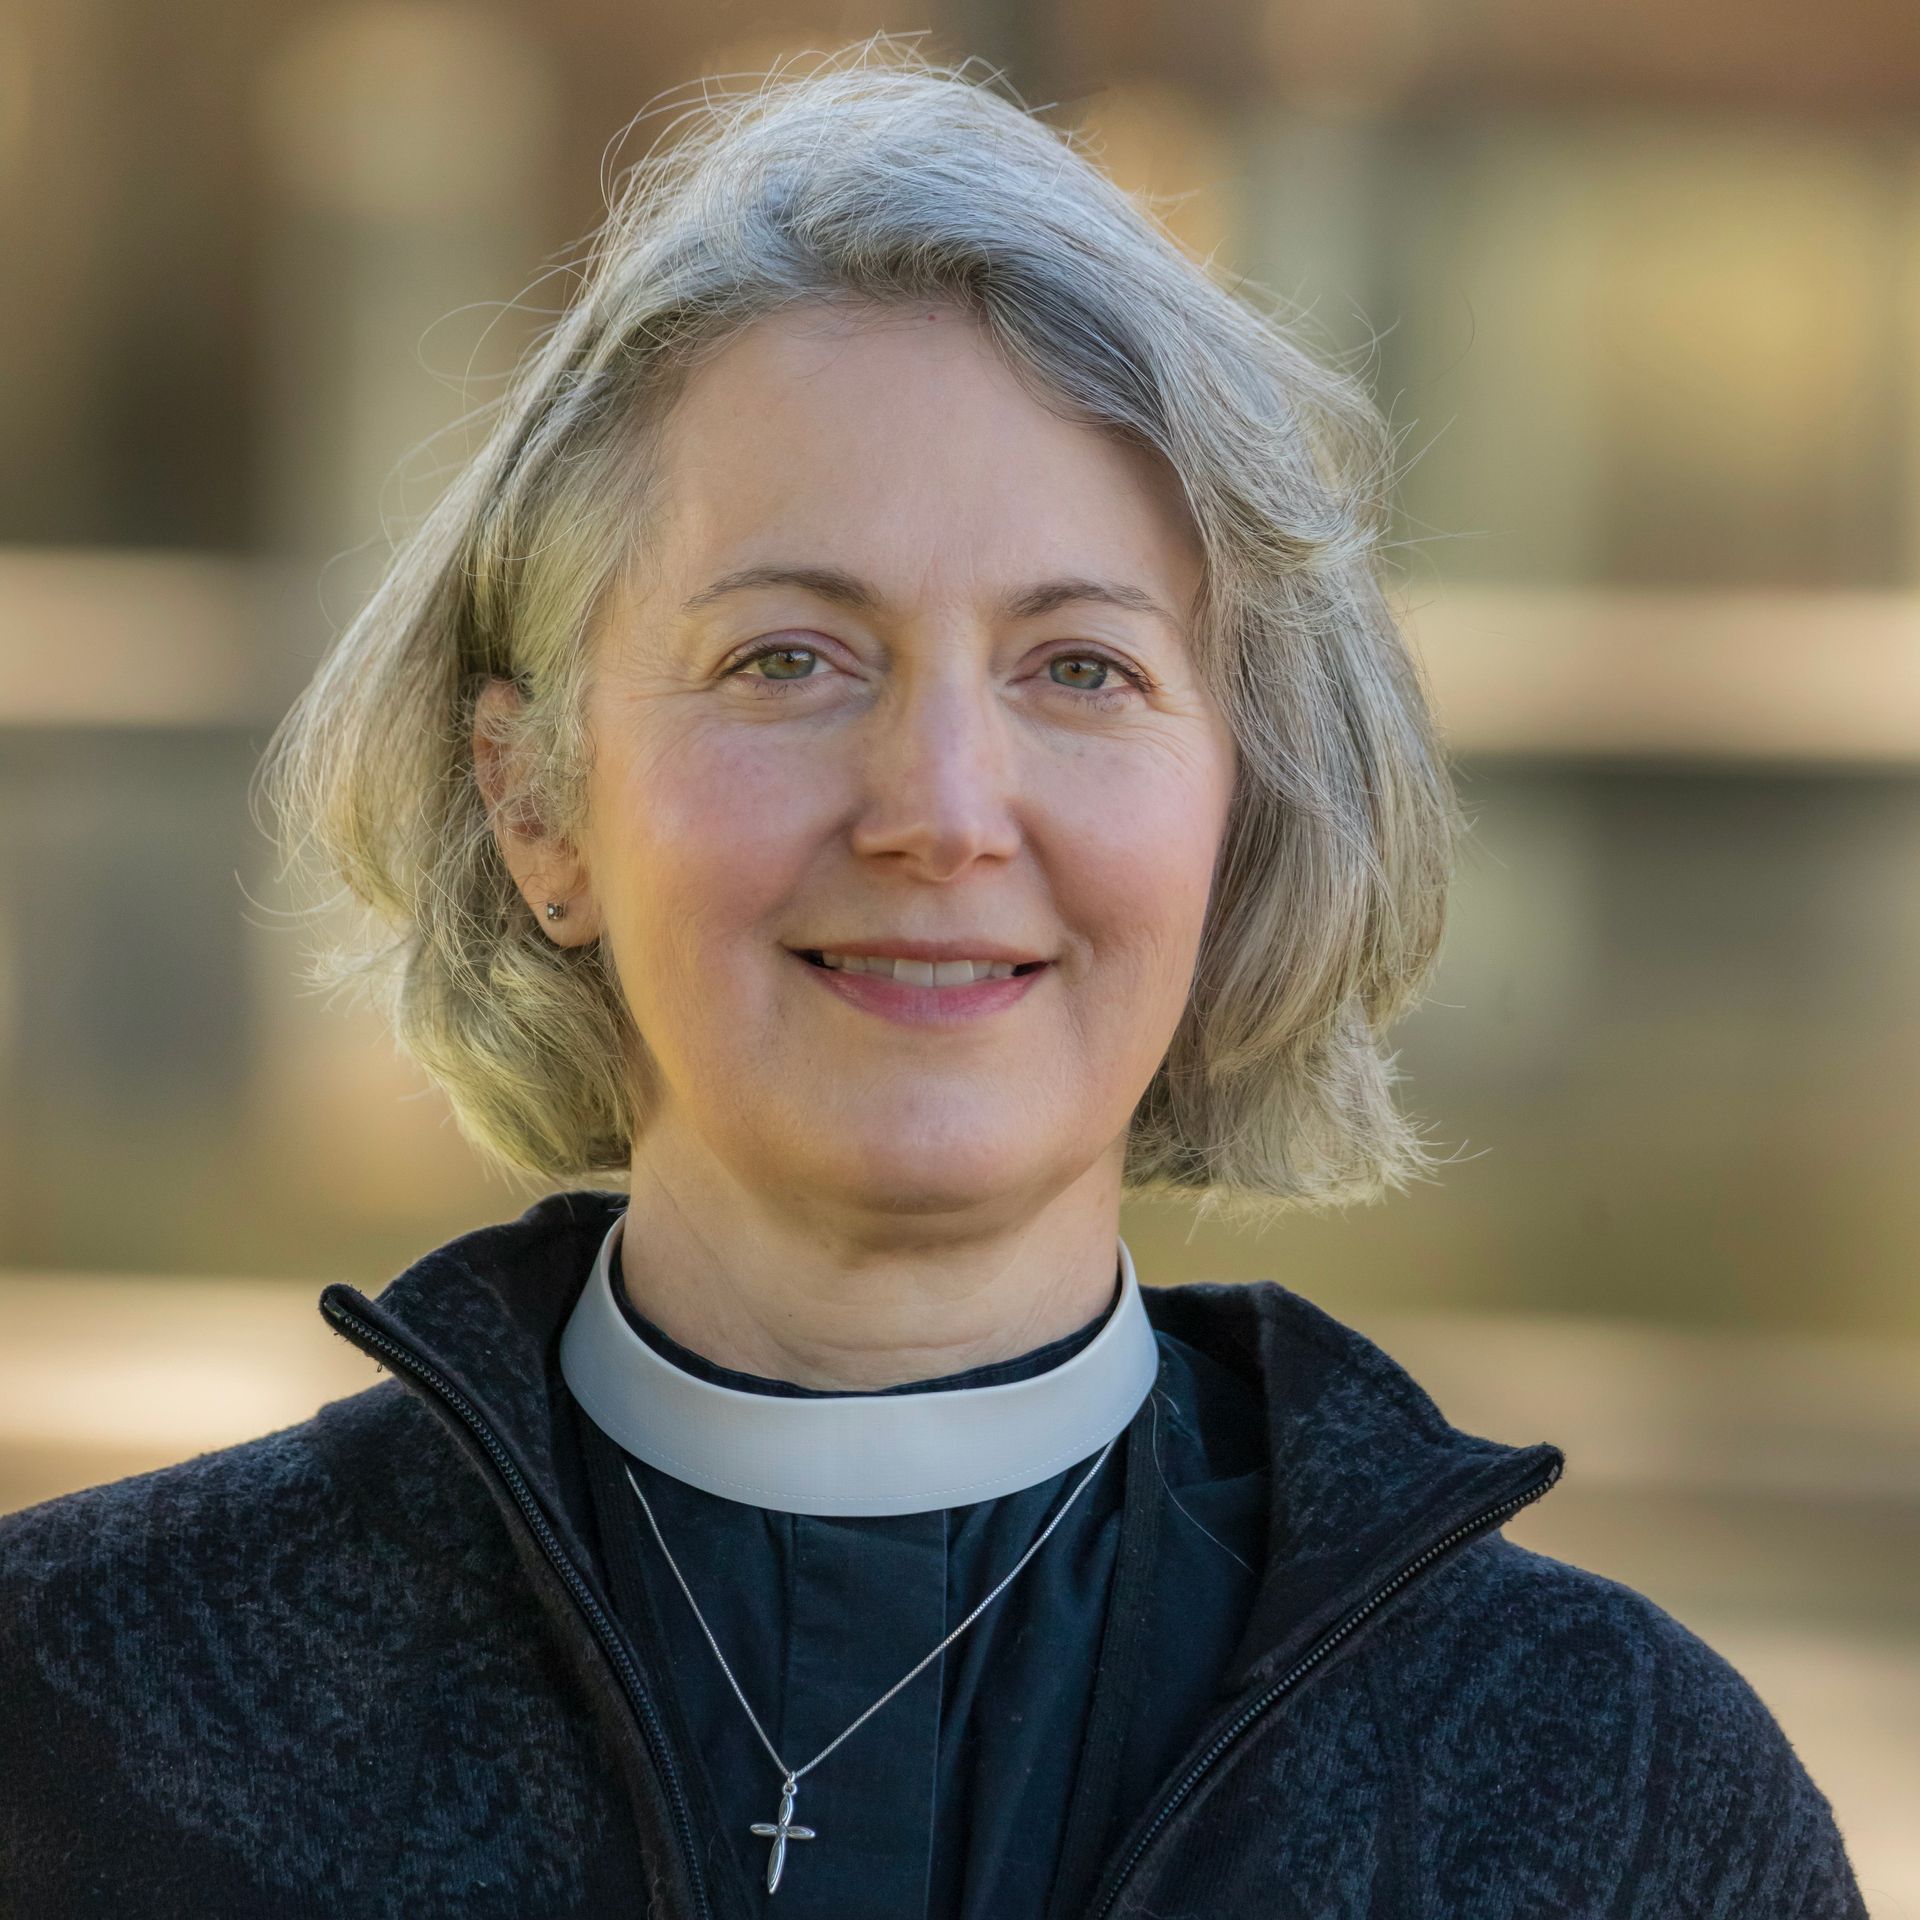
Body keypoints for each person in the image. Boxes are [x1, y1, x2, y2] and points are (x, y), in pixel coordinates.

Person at [0, 41, 1865, 1920]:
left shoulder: (1617, 1799)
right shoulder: (73, 1718)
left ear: (1239, 816)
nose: (942, 813)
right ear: (538, 804)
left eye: (1081, 670)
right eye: (790, 659)